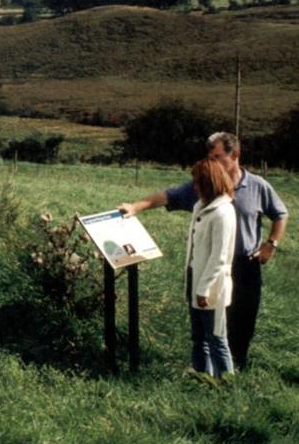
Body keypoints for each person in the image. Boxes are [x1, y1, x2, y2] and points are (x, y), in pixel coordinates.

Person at [119, 132, 288, 370]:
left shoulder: (258, 186)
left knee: (243, 319)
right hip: (211, 266)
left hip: (246, 264)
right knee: (213, 324)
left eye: (219, 156)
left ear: (235, 155)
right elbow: (168, 196)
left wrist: (271, 244)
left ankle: (235, 368)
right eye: (211, 157)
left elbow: (280, 214)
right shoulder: (203, 187)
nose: (214, 162)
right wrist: (135, 207)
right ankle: (213, 372)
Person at [185, 158, 236, 377]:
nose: (194, 186)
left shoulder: (222, 213)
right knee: (199, 338)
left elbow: (219, 257)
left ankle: (226, 384)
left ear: (209, 182)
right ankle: (202, 376)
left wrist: (204, 288)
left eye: (198, 182)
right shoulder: (201, 207)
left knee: (216, 338)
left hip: (211, 286)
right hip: (195, 279)